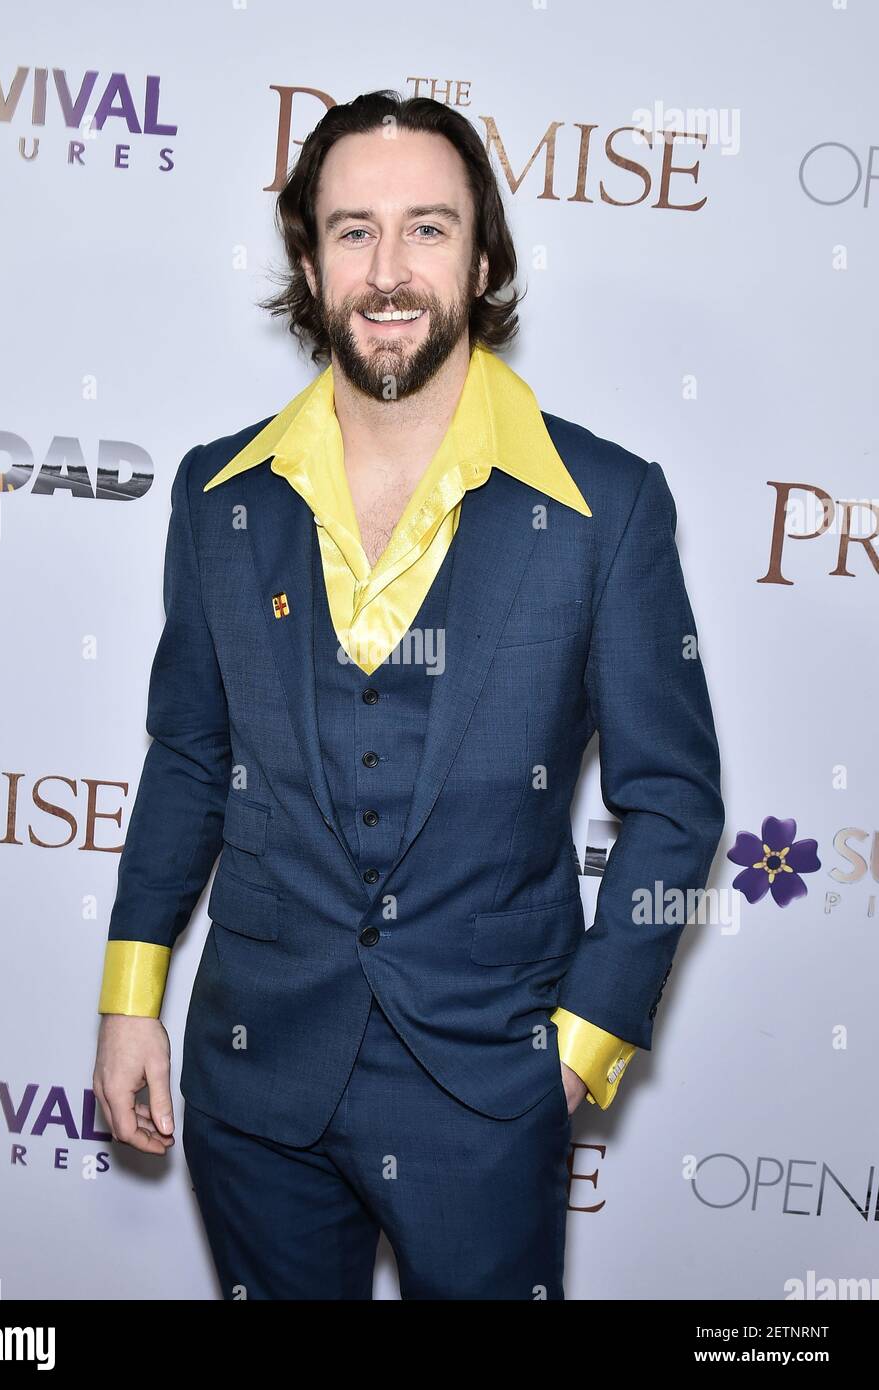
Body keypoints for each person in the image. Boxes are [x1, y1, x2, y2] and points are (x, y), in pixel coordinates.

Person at [92, 90, 724, 1300]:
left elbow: (676, 802)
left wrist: (581, 1047)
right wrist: (132, 997)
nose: (389, 270)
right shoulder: (217, 494)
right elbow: (186, 758)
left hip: (489, 1087)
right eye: (353, 231)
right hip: (254, 1072)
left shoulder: (607, 504)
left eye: (428, 229)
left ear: (482, 255)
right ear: (307, 257)